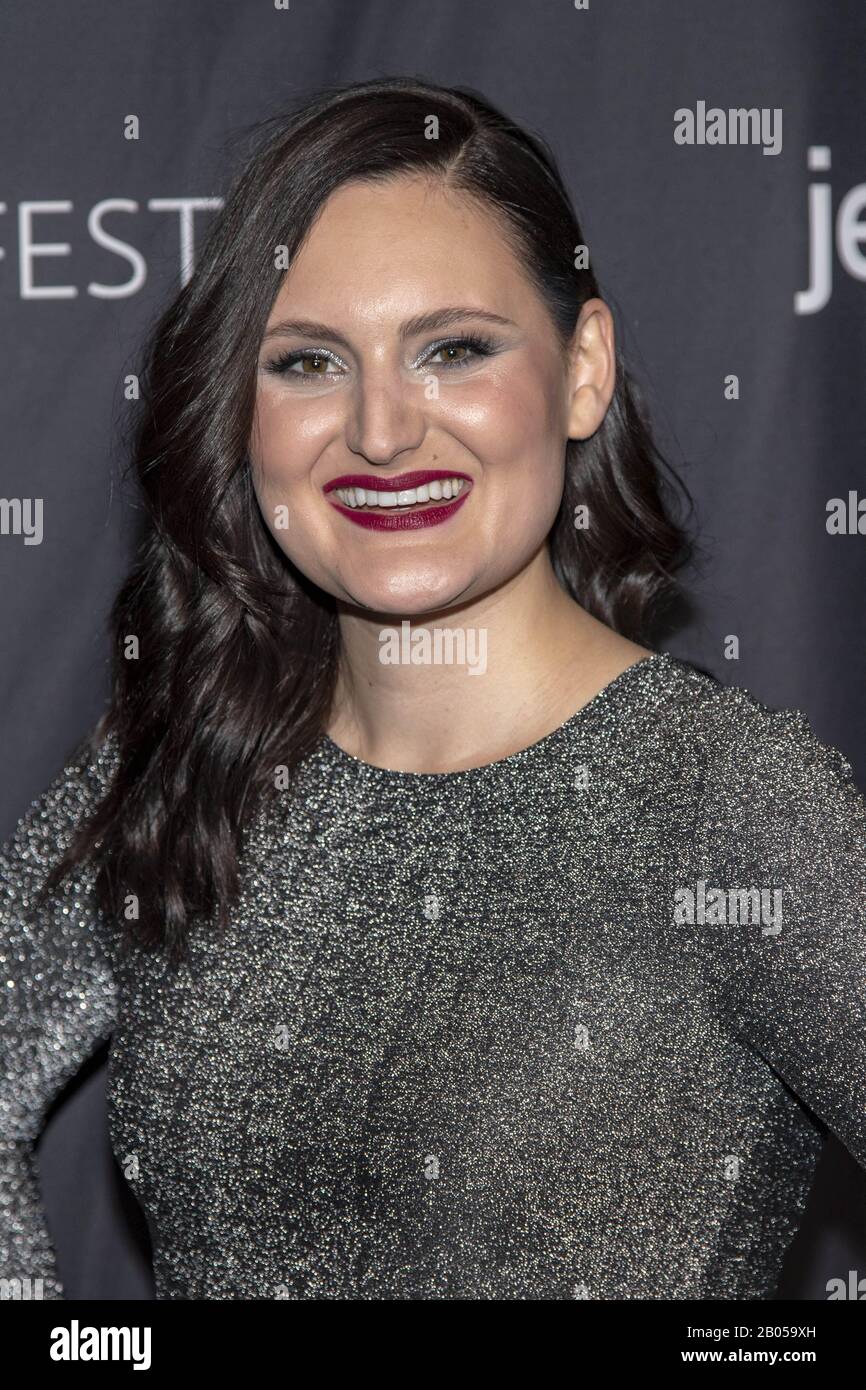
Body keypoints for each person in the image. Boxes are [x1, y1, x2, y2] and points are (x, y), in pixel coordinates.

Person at [1, 75, 864, 1301]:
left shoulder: (725, 805)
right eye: (306, 362)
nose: (382, 430)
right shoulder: (187, 761)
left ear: (580, 370)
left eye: (452, 349)